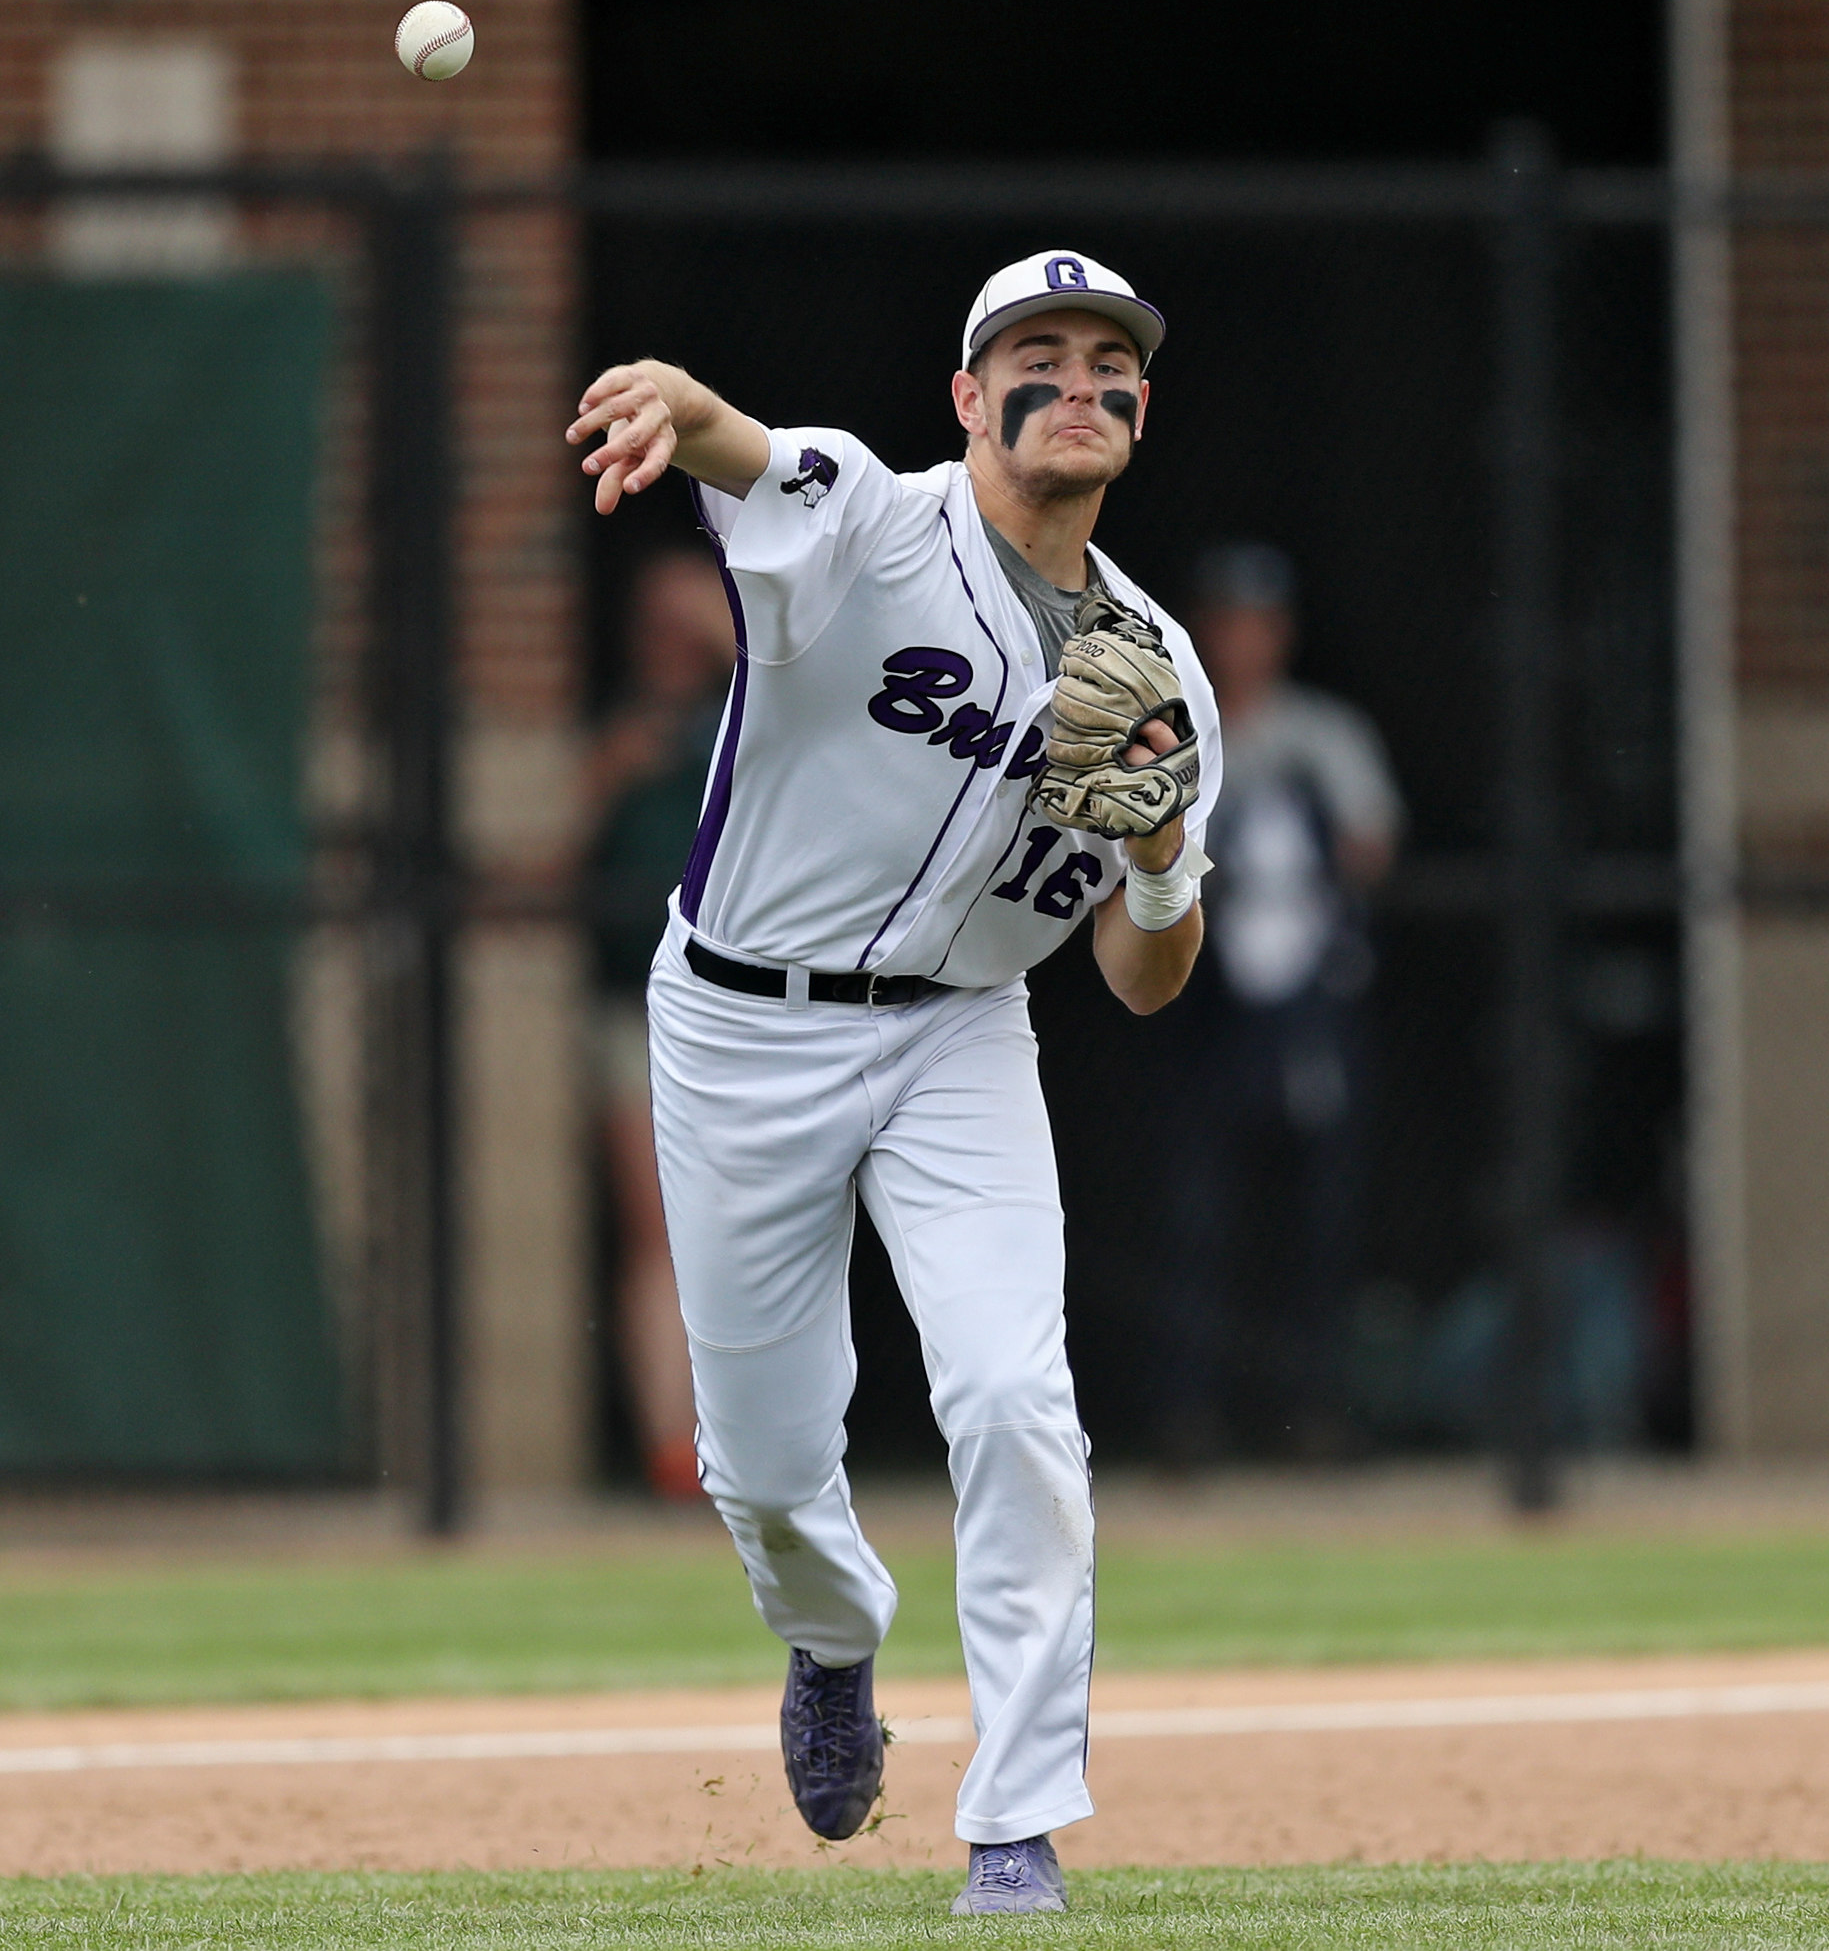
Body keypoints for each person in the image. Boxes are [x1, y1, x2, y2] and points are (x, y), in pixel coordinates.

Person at [564, 250, 1219, 1916]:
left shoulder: (1162, 672)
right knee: (764, 1467)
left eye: (1108, 361)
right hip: (739, 1023)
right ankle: (831, 1636)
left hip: (960, 1034)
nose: (1077, 381)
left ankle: (1014, 1825)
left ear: (1143, 406)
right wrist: (664, 396)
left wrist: (1154, 857)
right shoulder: (870, 518)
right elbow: (742, 446)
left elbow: (1147, 981)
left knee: (1014, 1399)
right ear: (965, 396)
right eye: (1036, 355)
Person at [1155, 544, 1401, 1467]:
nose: (1241, 639)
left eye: (1257, 621)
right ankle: (1190, 1417)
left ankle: (1315, 1414)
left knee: (1320, 1222)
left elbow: (1373, 842)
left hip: (1308, 1011)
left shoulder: (1323, 736)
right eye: (1224, 619)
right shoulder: (1173, 727)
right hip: (1205, 1005)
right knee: (1197, 1220)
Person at [582, 550, 738, 1501]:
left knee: (753, 1226)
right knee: (658, 1229)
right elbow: (538, 860)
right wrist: (606, 772)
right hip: (632, 1008)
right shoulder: (623, 728)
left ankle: (752, 1446)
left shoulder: (747, 714)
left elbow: (811, 676)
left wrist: (721, 621)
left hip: (746, 1012)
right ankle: (672, 1451)